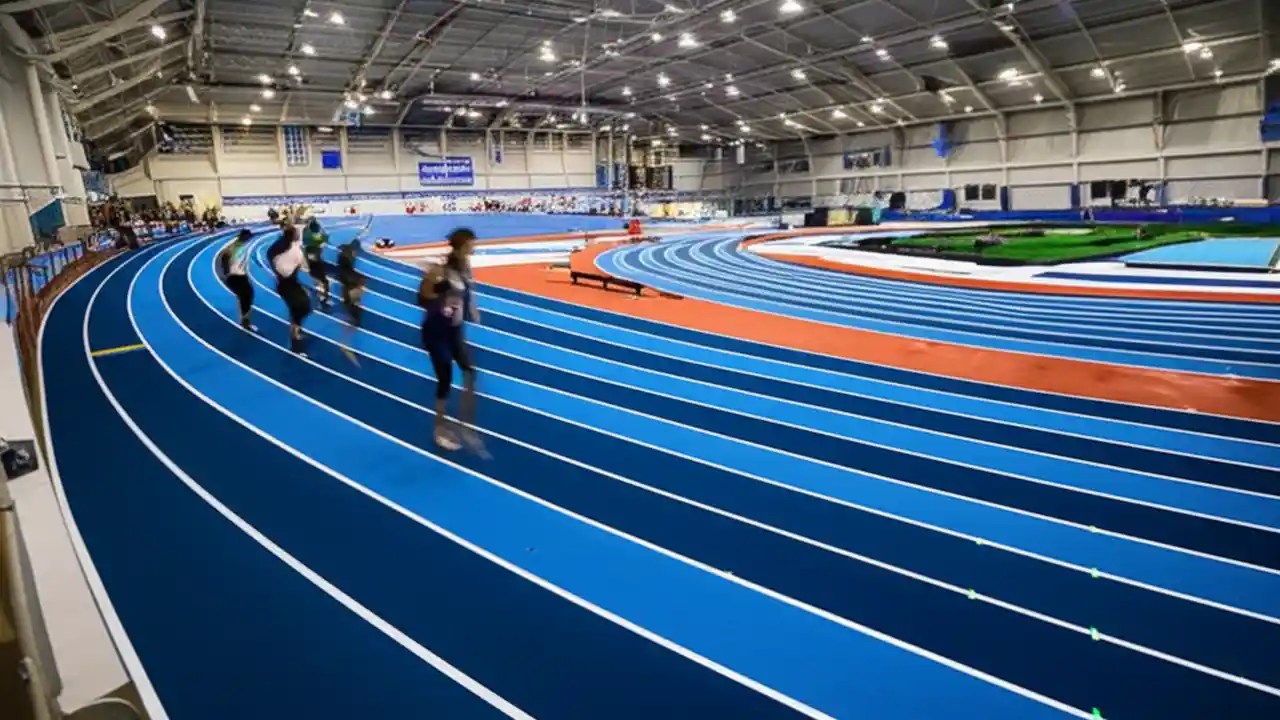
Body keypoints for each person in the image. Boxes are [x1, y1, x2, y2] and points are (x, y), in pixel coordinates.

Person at [418, 228, 482, 453]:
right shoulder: (440, 271)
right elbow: (422, 298)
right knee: (445, 379)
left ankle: (466, 425)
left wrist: (472, 308)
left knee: (469, 372)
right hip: (436, 333)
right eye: (472, 244)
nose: (474, 248)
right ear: (463, 246)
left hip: (455, 331)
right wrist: (443, 289)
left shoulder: (464, 269)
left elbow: (468, 291)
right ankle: (439, 429)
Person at [267, 225, 311, 355]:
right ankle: (295, 339)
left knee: (298, 307)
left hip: (284, 284)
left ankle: (295, 331)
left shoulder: (277, 249)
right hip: (289, 284)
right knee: (304, 307)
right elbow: (305, 266)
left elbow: (274, 261)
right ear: (294, 236)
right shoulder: (295, 251)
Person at [218, 229, 256, 330]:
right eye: (248, 237)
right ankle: (245, 320)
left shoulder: (242, 246)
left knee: (247, 295)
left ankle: (245, 318)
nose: (250, 239)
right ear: (243, 237)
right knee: (245, 296)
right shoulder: (233, 248)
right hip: (234, 276)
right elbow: (225, 257)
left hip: (241, 275)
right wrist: (226, 273)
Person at [336, 238, 365, 365]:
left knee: (350, 306)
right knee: (354, 313)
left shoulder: (345, 252)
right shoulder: (350, 257)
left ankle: (348, 334)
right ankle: (347, 342)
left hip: (347, 283)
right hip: (350, 284)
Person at [302, 217, 331, 308]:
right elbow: (326, 237)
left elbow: (306, 229)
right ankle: (323, 298)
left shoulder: (306, 235)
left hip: (310, 261)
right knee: (324, 281)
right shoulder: (317, 237)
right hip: (317, 261)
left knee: (316, 279)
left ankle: (318, 295)